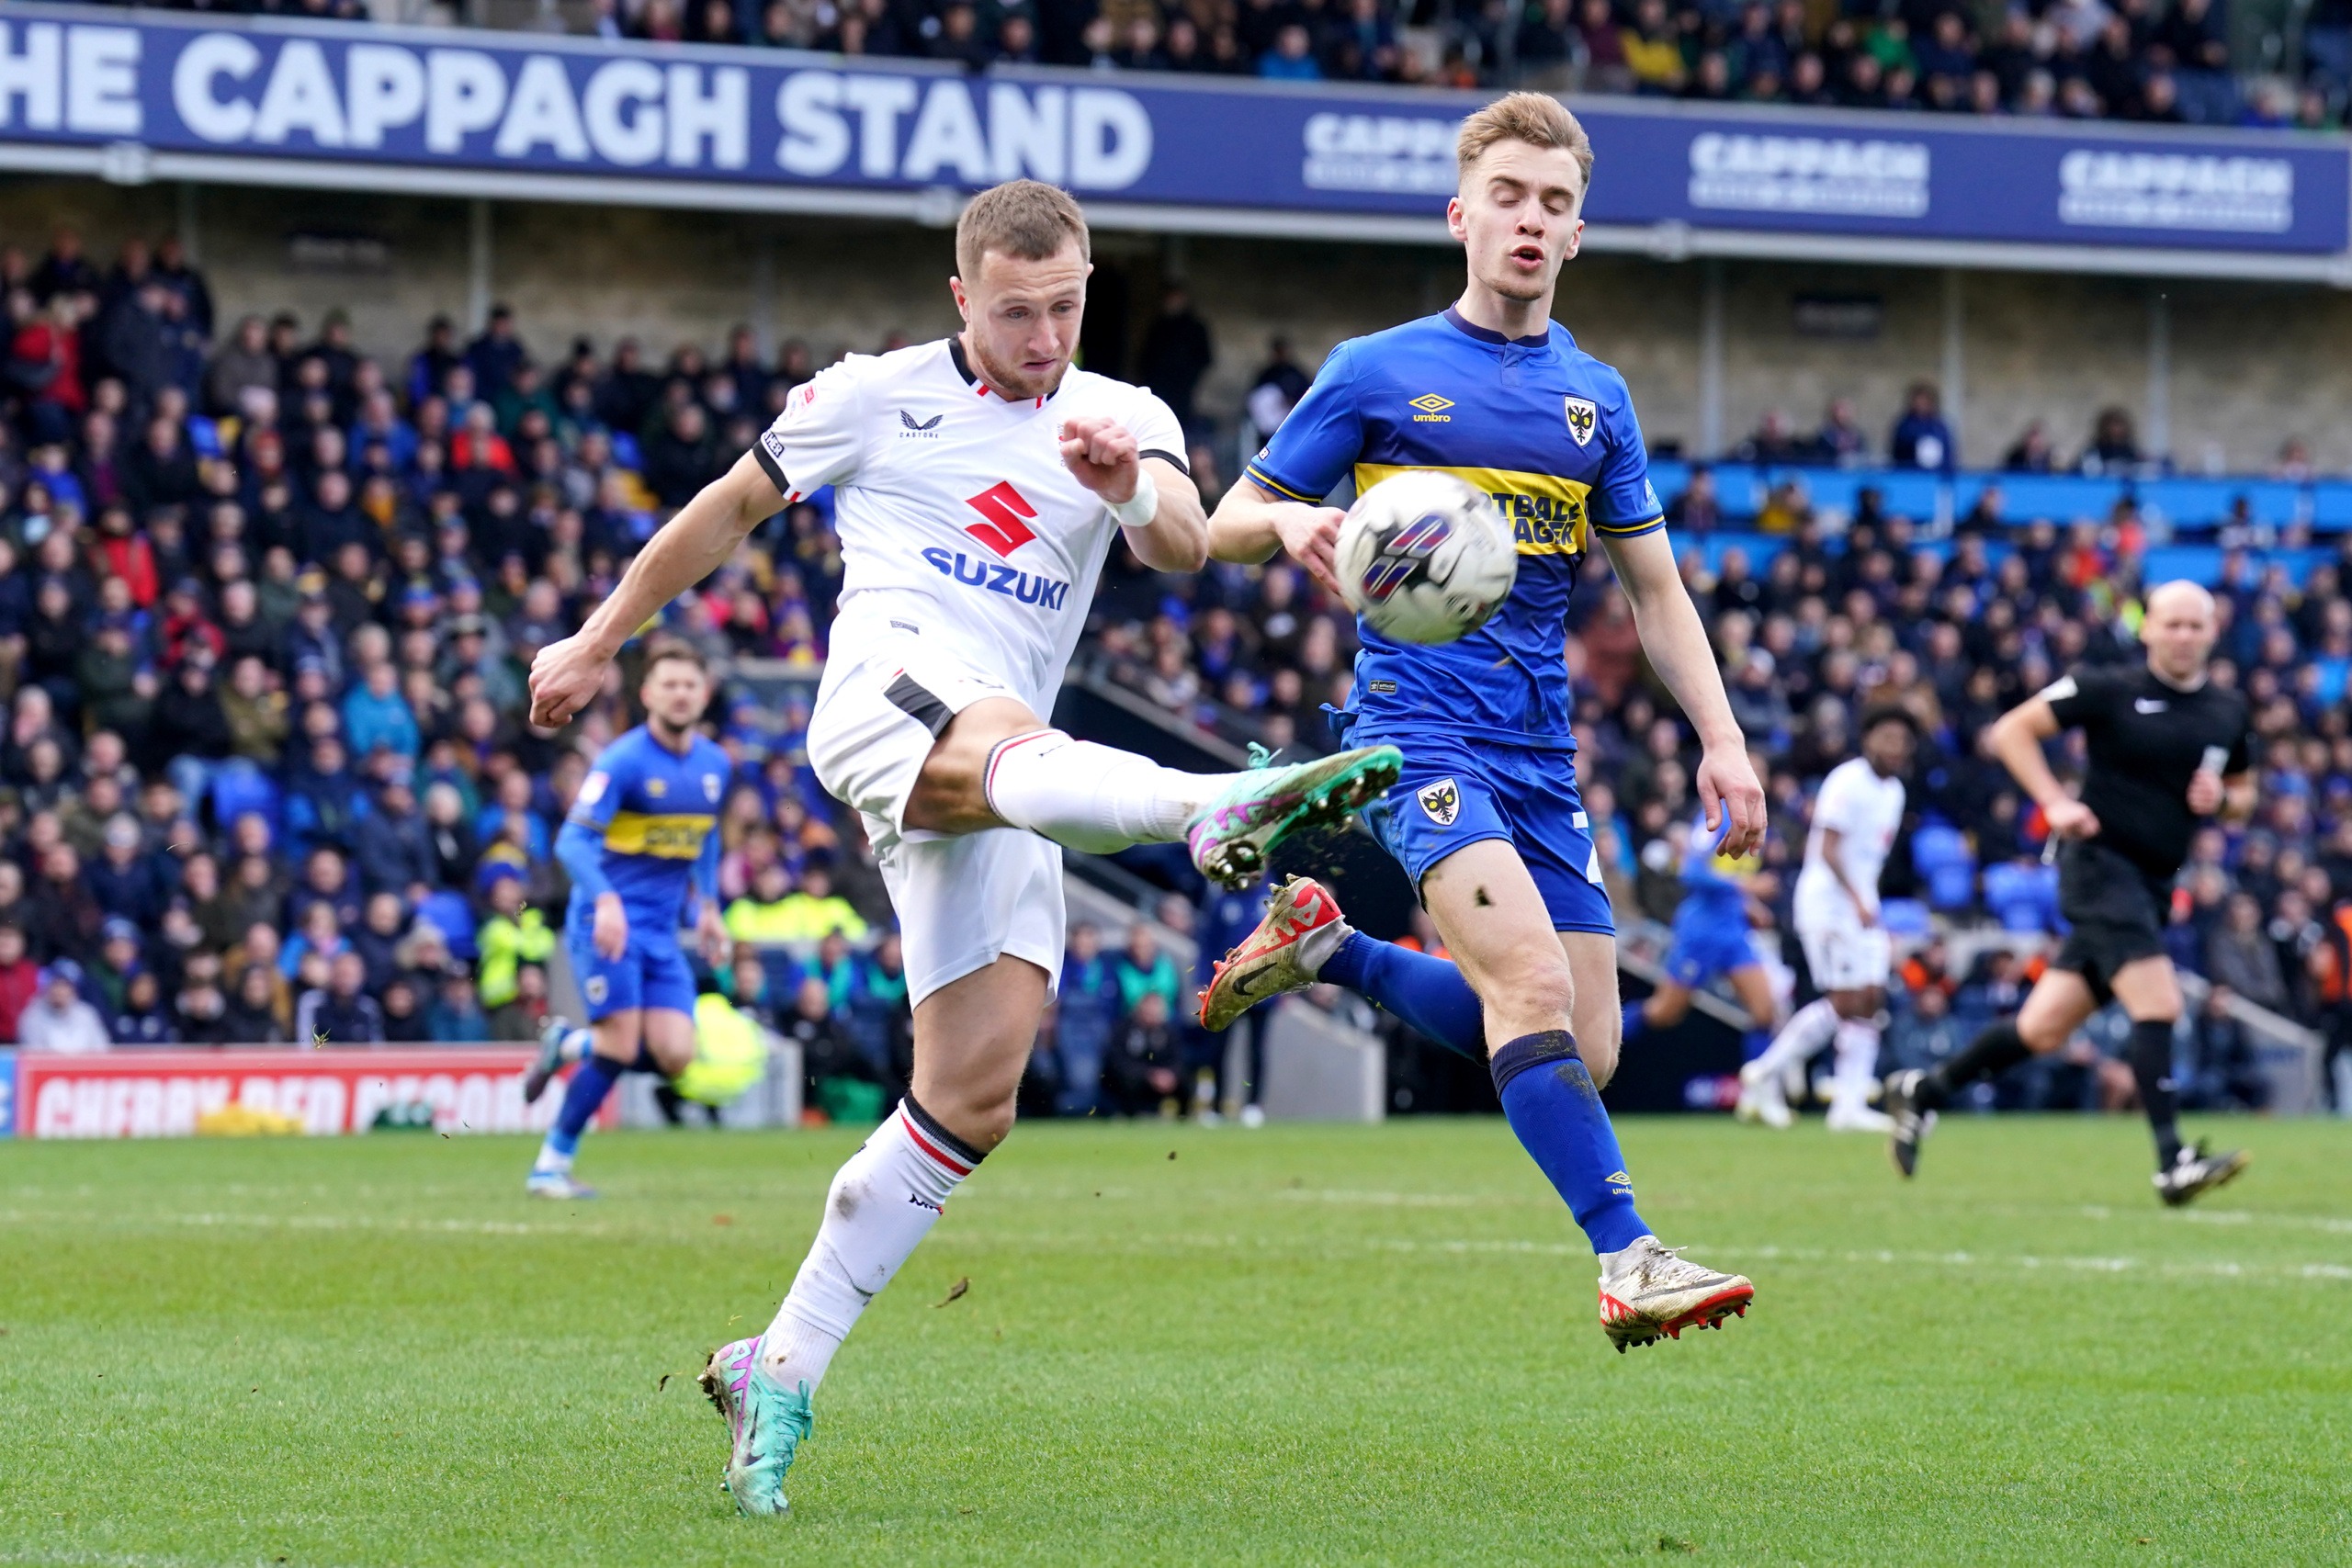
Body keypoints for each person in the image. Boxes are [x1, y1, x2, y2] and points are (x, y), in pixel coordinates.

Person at [523, 179, 1400, 1517]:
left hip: (1018, 778)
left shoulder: (1129, 413)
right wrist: (599, 640)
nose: (1044, 336)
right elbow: (725, 508)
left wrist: (1121, 486)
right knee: (1001, 736)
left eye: (1065, 306)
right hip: (891, 695)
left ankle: (782, 1358)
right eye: (1015, 312)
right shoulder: (871, 395)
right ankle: (1214, 803)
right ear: (961, 300)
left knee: (974, 1091)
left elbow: (1175, 541)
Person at [1197, 95, 1765, 1353]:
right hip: (1414, 734)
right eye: (1509, 195)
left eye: (1555, 204)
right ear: (1463, 215)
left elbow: (1655, 589)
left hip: (1536, 751)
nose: (1530, 219)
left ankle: (1329, 950)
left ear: (1576, 237)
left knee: (1591, 1043)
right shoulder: (1375, 370)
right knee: (1527, 984)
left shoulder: (1595, 399)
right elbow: (1216, 522)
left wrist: (1723, 737)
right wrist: (1291, 520)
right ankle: (1628, 1253)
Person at [1885, 582, 2255, 1205]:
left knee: (2041, 1029)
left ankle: (1924, 1091)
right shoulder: (2109, 687)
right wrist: (2054, 800)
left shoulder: (2226, 709)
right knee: (2158, 1001)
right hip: (2098, 868)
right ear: (2149, 629)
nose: (2185, 636)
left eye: (2196, 625)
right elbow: (2011, 731)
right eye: (2174, 624)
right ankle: (2172, 1161)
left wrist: (2225, 801)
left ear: (2213, 632)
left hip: (2153, 885)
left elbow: (2244, 793)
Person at [518, 644, 733, 1199]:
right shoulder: (623, 761)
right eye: (670, 684)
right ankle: (549, 1167)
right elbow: (572, 842)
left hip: (660, 932)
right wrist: (608, 901)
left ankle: (568, 1045)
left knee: (676, 1054)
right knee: (618, 1047)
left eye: (690, 684)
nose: (681, 693)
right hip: (605, 923)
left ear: (703, 695)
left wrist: (708, 906)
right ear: (647, 695)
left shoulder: (715, 765)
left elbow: (705, 834)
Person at [1736, 707, 1916, 1132]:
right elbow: (1829, 848)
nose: (1895, 747)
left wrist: (1866, 901)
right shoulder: (1847, 780)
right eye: (1887, 736)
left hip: (1862, 904)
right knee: (1846, 1001)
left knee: (1871, 999)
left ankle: (1849, 1105)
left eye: (1902, 740)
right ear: (1869, 738)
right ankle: (1763, 1073)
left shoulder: (1895, 792)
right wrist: (1856, 898)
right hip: (1830, 903)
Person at [1621, 790, 1783, 1084]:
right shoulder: (1717, 817)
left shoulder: (1759, 822)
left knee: (1764, 1012)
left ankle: (1758, 1094)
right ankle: (1598, 1042)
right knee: (1664, 1012)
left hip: (1733, 932)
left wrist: (1747, 905)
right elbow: (1691, 871)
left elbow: (1725, 878)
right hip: (1701, 933)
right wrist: (1746, 888)